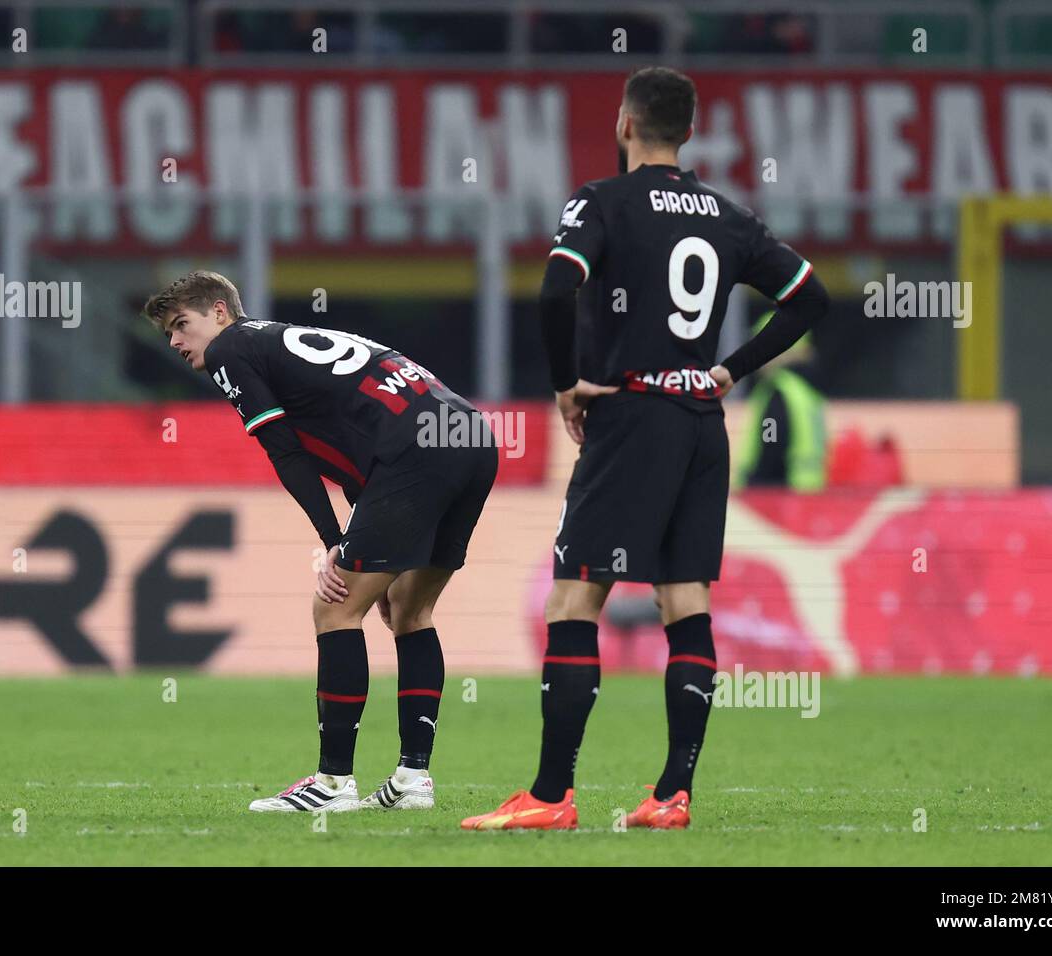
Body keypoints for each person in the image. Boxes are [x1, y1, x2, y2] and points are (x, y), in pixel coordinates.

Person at [462, 67, 829, 831]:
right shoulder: (727, 216)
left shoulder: (602, 201)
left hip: (631, 415)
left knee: (574, 598)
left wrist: (567, 385)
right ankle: (671, 795)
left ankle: (551, 795)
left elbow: (557, 289)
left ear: (626, 123)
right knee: (684, 598)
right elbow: (809, 299)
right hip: (700, 419)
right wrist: (729, 370)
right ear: (688, 132)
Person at [144, 271, 498, 812]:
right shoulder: (275, 339)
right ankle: (412, 781)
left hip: (414, 453)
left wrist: (336, 541)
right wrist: (370, 541)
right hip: (468, 435)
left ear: (219, 312)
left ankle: (332, 783)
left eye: (180, 325)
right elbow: (359, 447)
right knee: (409, 609)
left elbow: (284, 451)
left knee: (333, 607)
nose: (174, 341)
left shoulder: (231, 349)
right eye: (168, 332)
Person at [736, 309, 828, 491]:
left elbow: (770, 447)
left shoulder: (778, 392)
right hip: (809, 495)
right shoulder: (807, 392)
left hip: (779, 500)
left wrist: (753, 487)